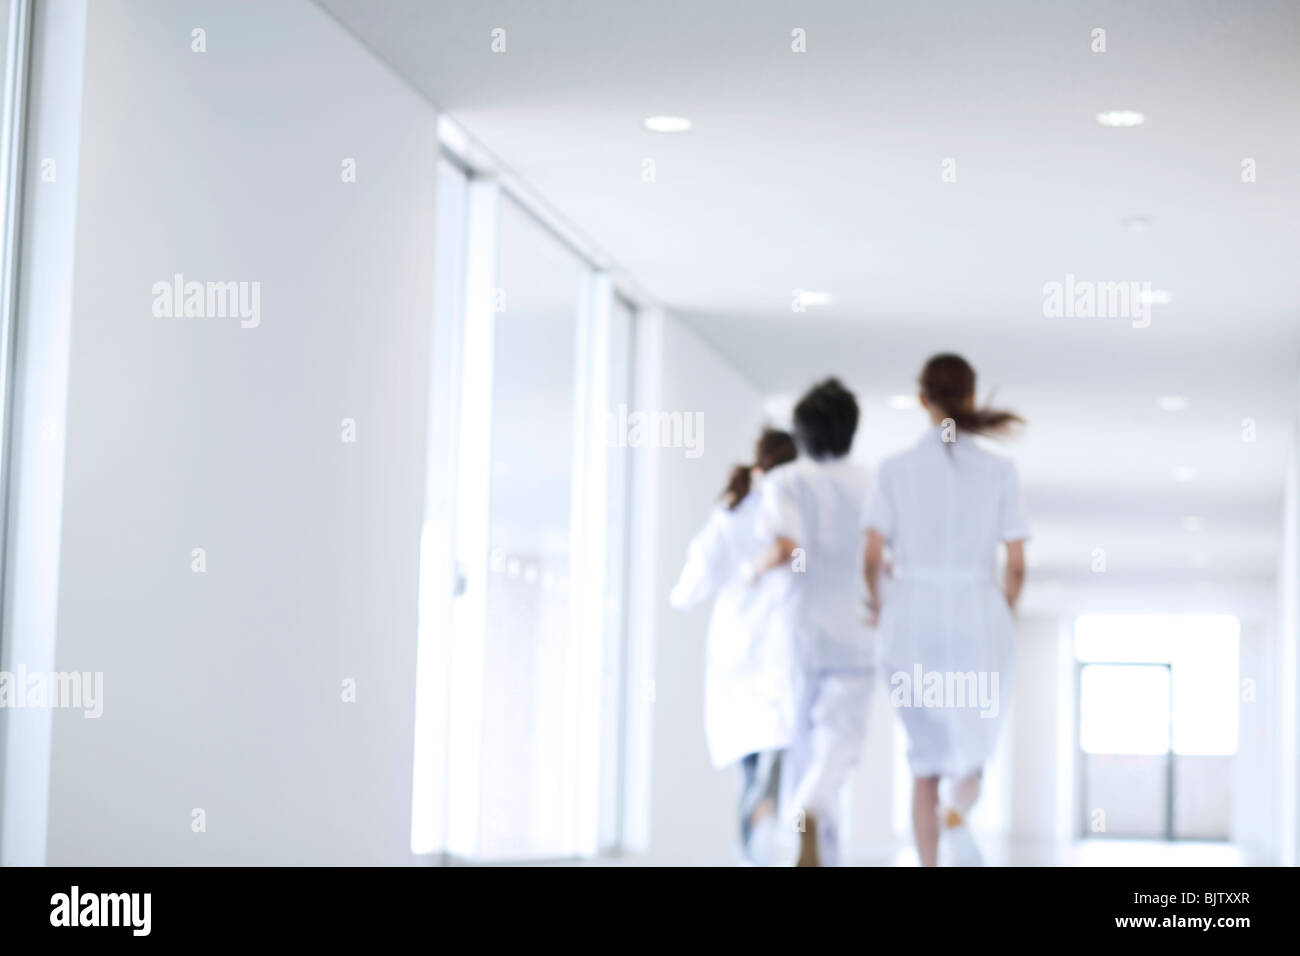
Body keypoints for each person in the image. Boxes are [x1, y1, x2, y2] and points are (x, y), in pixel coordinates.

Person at [863, 353, 1028, 867]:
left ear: (922, 399)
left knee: (925, 761)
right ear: (972, 397)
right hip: (978, 617)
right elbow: (1016, 565)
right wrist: (1001, 613)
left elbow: (871, 558)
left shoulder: (894, 470)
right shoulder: (1000, 471)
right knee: (975, 745)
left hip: (912, 620)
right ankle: (958, 812)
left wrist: (881, 605)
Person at [749, 379, 875, 867]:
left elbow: (789, 547)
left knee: (801, 746)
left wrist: (753, 571)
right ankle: (812, 811)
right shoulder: (873, 485)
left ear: (802, 434)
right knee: (838, 745)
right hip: (857, 628)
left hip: (799, 629)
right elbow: (886, 557)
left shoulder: (786, 482)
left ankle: (804, 836)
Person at [669, 428, 799, 864]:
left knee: (752, 770)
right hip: (774, 654)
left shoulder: (732, 509)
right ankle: (761, 853)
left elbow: (689, 587)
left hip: (737, 655)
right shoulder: (787, 506)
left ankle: (751, 855)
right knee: (772, 768)